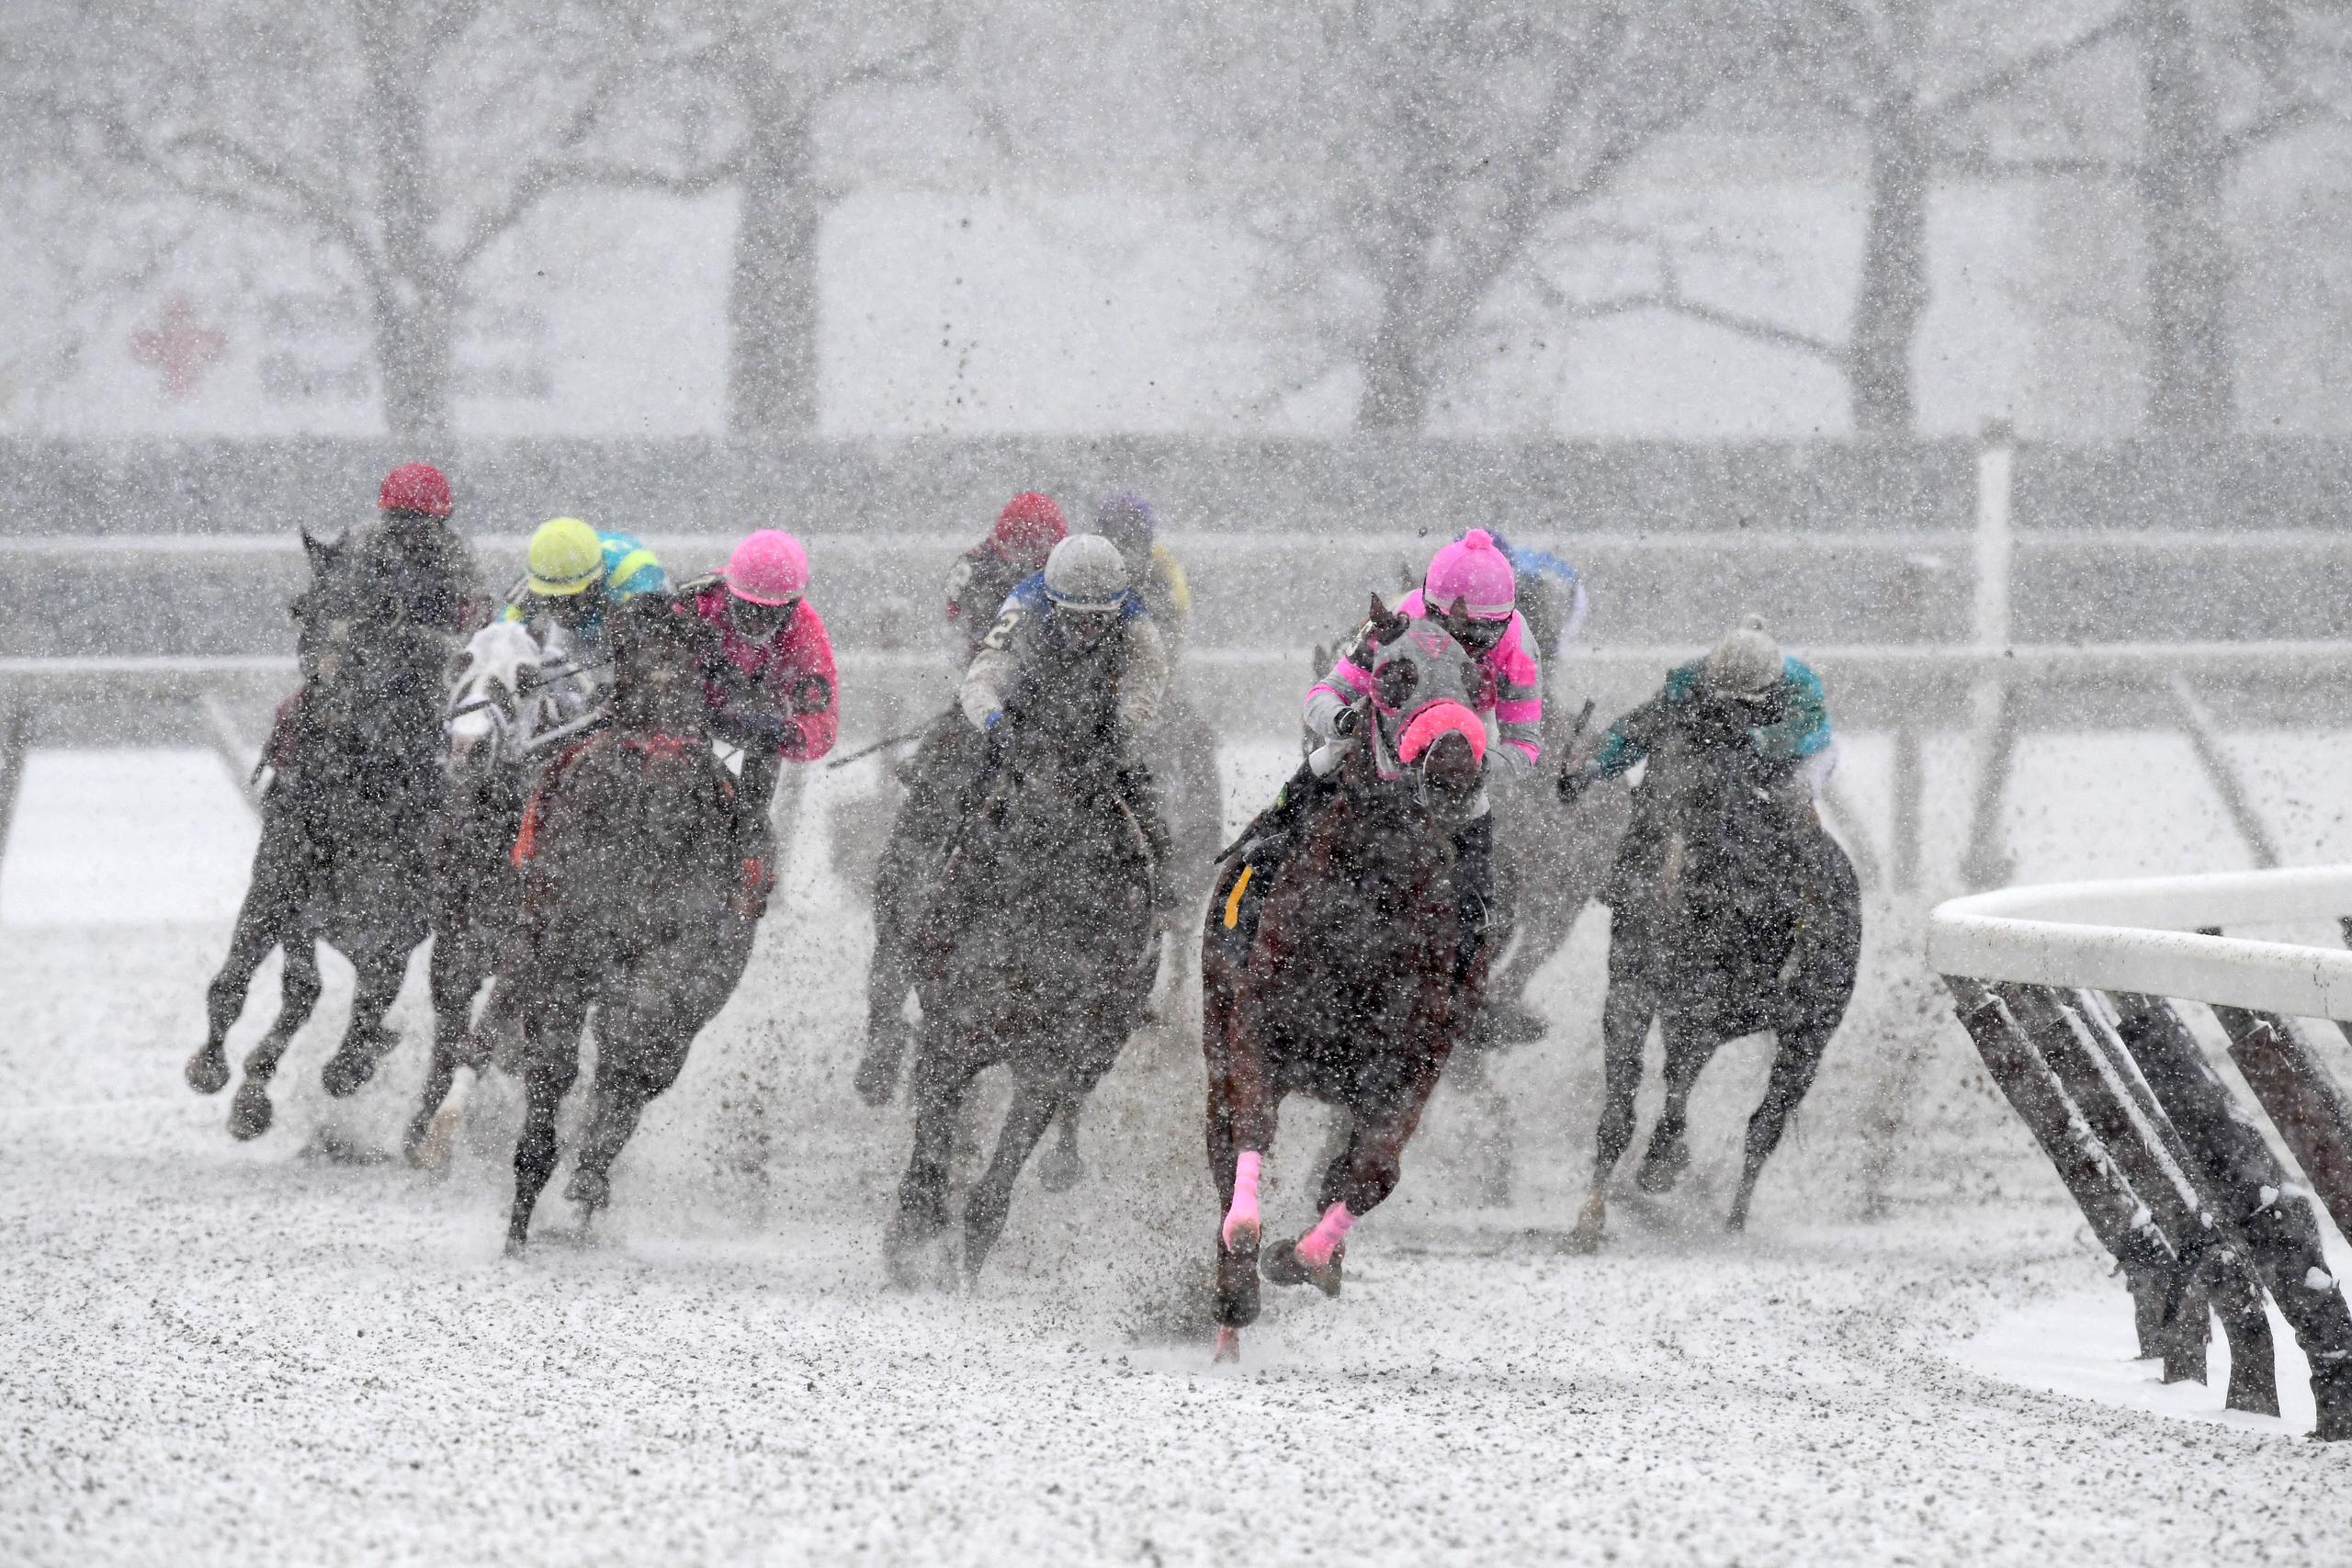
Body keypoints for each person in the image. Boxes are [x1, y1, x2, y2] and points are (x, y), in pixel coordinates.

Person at [1233, 528, 1542, 973]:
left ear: (1506, 623)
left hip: (1459, 752)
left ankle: (1470, 965)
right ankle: (1254, 871)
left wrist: (1476, 768)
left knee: (1477, 864)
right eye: (1457, 630)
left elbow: (1525, 747)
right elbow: (1323, 694)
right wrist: (1343, 722)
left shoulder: (1518, 650)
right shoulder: (1396, 621)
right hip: (1382, 739)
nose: (1466, 647)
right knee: (1323, 762)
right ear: (1429, 609)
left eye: (1482, 636)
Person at [957, 534, 1174, 874]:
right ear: (1052, 602)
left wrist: (1125, 728)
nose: (1086, 630)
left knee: (1145, 813)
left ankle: (1158, 886)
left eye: (1098, 620)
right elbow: (982, 678)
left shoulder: (1136, 617)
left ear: (1117, 608)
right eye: (1076, 619)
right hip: (1025, 717)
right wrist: (994, 722)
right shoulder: (1020, 605)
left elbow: (1148, 682)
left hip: (1102, 721)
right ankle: (951, 877)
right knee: (973, 804)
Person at [1560, 614, 1835, 809]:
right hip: (1717, 756)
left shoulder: (1801, 682)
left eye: (1749, 701)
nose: (1738, 707)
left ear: (1773, 684)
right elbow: (1641, 727)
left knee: (1794, 798)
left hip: (1789, 760)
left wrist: (1760, 739)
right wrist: (1594, 767)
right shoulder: (1689, 680)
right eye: (1729, 698)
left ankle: (1811, 868)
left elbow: (1812, 731)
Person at [675, 530, 840, 819]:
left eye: (767, 614)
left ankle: (751, 834)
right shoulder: (696, 604)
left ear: (790, 608)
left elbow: (822, 725)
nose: (753, 622)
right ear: (729, 592)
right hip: (689, 711)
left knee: (768, 734)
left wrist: (786, 733)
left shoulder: (806, 633)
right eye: (747, 609)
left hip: (752, 724)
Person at [497, 516, 667, 658]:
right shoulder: (544, 569)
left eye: (571, 599)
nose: (562, 612)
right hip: (587, 628)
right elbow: (502, 633)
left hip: (628, 627)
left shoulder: (635, 575)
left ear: (595, 581)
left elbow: (653, 649)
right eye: (551, 600)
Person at [944, 492, 1068, 665]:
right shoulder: (975, 566)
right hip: (985, 657)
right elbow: (955, 624)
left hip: (1050, 660)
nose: (1030, 568)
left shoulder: (975, 564)